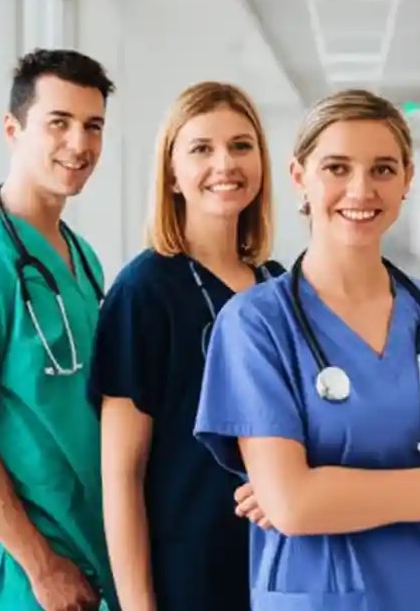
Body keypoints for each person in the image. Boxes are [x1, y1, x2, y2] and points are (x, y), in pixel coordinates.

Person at [192, 89, 420, 610]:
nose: (361, 189)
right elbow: (294, 505)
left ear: (408, 178)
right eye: (337, 168)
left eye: (383, 169)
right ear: (299, 175)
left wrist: (326, 492)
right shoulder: (256, 323)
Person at [0, 49, 117, 611]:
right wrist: (41, 565)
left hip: (77, 546)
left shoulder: (81, 256)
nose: (79, 144)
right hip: (17, 569)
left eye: (93, 126)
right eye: (59, 122)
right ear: (13, 130)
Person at [88, 81, 286, 611]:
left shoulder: (278, 284)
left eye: (241, 146)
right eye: (202, 148)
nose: (225, 164)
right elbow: (121, 474)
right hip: (188, 574)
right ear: (172, 174)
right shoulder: (144, 291)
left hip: (281, 562)